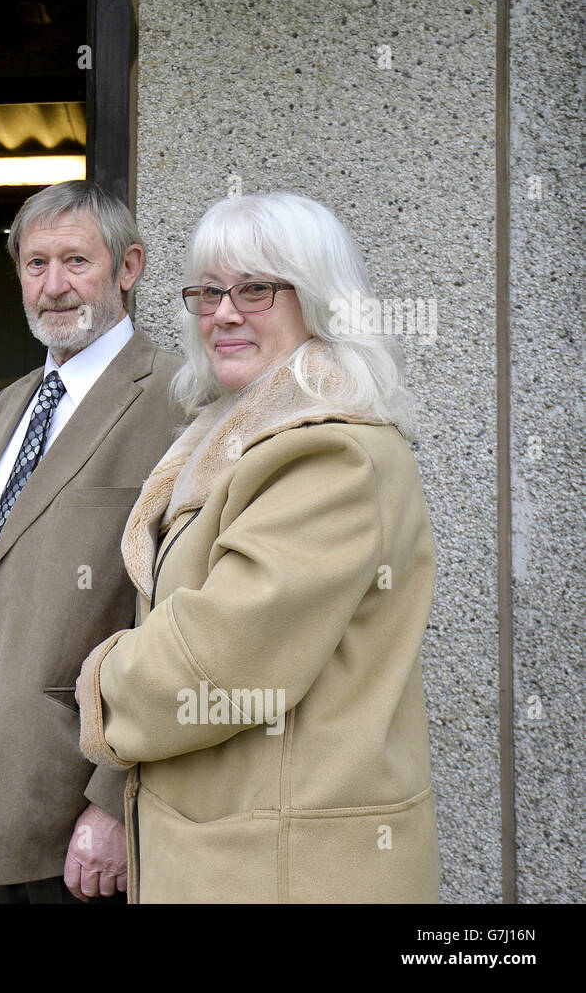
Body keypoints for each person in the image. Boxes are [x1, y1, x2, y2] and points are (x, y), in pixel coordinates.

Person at [75, 191, 441, 902]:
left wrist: (97, 681)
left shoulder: (329, 453)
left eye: (256, 289)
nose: (225, 312)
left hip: (285, 868)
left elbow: (215, 664)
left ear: (319, 300)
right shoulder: (240, 432)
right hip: (249, 853)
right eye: (209, 291)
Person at [0, 180, 184, 903]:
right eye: (36, 265)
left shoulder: (179, 401)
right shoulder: (10, 404)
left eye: (76, 262)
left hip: (73, 817)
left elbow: (171, 621)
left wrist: (111, 800)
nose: (54, 287)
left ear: (129, 268)